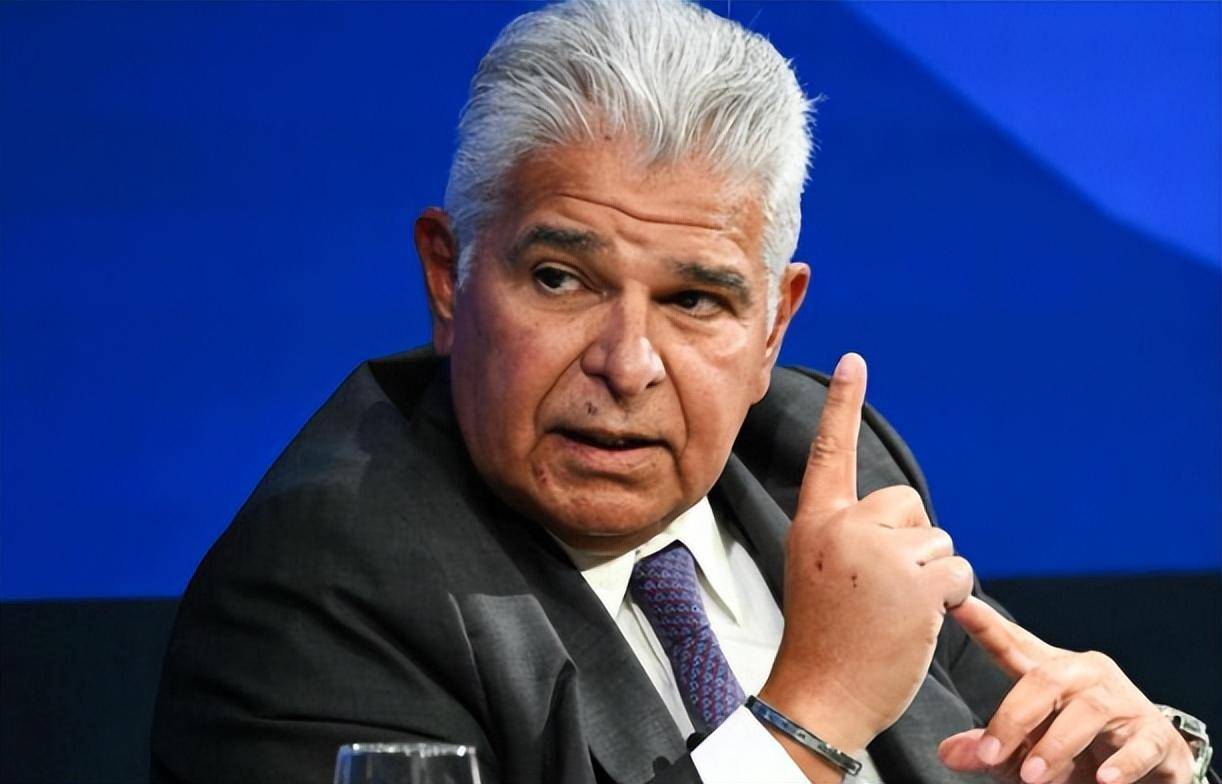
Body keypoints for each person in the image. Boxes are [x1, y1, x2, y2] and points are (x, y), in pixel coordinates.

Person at [150, 1, 1213, 783]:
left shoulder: (815, 462)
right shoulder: (320, 584)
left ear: (772, 327)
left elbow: (1017, 753)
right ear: (448, 278)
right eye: (560, 279)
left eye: (695, 299)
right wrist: (810, 715)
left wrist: (1148, 761)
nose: (627, 363)